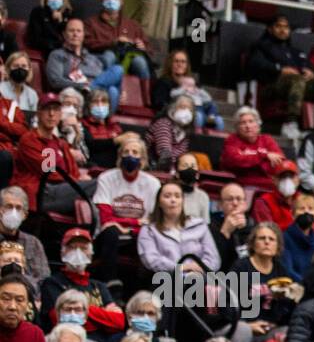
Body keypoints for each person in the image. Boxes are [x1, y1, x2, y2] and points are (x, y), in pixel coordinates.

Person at [247, 15, 314, 142]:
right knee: (296, 79)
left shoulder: (295, 51)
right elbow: (255, 63)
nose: (283, 30)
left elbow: (310, 67)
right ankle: (291, 124)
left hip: (298, 86)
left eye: (286, 27)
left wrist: (311, 73)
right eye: (279, 26)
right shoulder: (261, 46)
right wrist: (280, 69)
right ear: (270, 29)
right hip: (272, 85)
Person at [92, 135, 160, 290]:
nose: (130, 156)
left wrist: (127, 225)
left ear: (142, 160)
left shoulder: (152, 183)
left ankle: (142, 287)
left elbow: (151, 220)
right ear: (119, 156)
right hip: (110, 232)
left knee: (149, 234)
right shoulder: (106, 178)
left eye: (135, 152)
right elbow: (105, 218)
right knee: (111, 232)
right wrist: (135, 222)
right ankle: (109, 283)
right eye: (126, 152)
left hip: (138, 232)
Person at [12, 93, 83, 216]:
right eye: (47, 109)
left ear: (60, 114)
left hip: (63, 191)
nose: (51, 114)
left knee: (99, 188)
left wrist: (78, 181)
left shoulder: (62, 144)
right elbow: (49, 173)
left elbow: (74, 172)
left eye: (55, 110)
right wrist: (76, 183)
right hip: (43, 193)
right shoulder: (29, 139)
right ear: (38, 113)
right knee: (99, 184)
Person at [45, 18, 127, 113]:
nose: (75, 34)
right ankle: (90, 90)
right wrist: (81, 85)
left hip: (98, 95)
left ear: (83, 35)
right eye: (71, 31)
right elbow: (55, 81)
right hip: (76, 94)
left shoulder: (92, 58)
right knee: (116, 73)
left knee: (115, 83)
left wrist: (121, 92)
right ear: (64, 34)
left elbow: (105, 80)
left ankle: (103, 118)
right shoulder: (57, 55)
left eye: (79, 31)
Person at [137, 181, 220, 274]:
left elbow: (214, 259)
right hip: (165, 281)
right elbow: (151, 260)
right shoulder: (149, 230)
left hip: (199, 278)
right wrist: (182, 267)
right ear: (159, 203)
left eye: (177, 196)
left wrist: (199, 269)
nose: (173, 200)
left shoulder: (199, 225)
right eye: (167, 196)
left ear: (183, 201)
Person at [84, 0, 152, 81]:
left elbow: (148, 47)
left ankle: (146, 94)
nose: (112, 0)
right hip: (102, 57)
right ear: (102, 0)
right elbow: (86, 43)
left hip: (129, 58)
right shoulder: (90, 23)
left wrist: (143, 46)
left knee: (140, 62)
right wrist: (112, 43)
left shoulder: (132, 24)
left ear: (122, 1)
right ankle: (101, 90)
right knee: (109, 56)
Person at [220, 107, 287, 191]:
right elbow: (235, 161)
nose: (248, 126)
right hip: (243, 187)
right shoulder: (232, 140)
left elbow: (280, 161)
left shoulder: (267, 140)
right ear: (237, 127)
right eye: (243, 123)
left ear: (258, 125)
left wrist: (250, 161)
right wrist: (264, 156)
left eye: (251, 121)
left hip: (270, 186)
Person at [0, 188, 50, 281]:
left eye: (18, 208)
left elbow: (43, 278)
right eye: (9, 206)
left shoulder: (34, 243)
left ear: (25, 215)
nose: (13, 212)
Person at [211, 183, 254, 270]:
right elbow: (211, 262)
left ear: (245, 204)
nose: (235, 203)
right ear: (220, 204)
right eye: (229, 199)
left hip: (251, 279)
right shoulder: (211, 227)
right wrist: (224, 232)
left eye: (239, 199)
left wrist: (244, 233)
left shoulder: (254, 227)